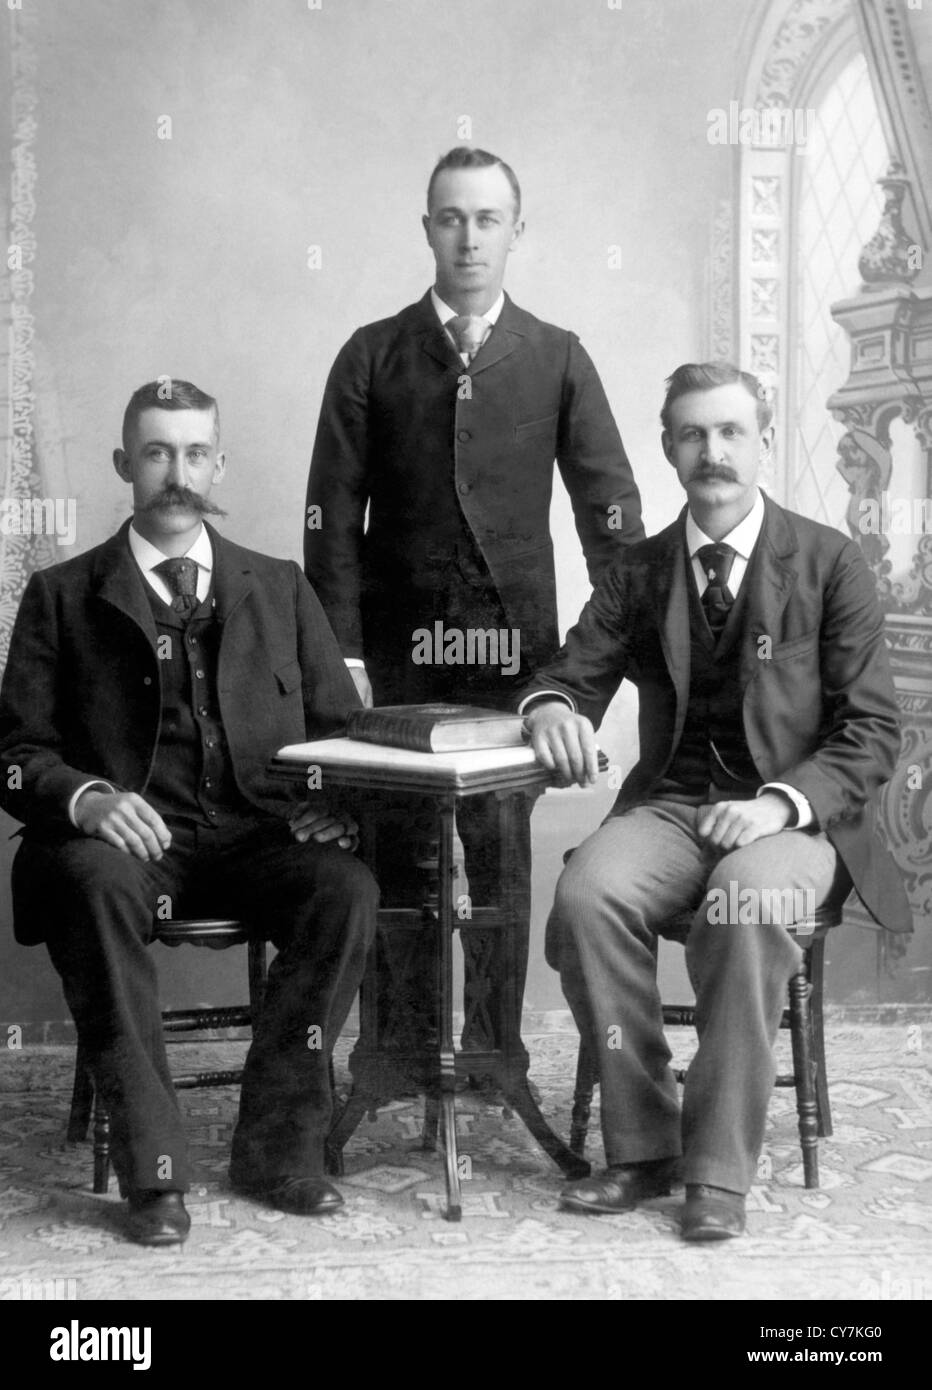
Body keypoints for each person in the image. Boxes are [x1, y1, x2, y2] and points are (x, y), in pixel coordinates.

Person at [521, 361, 911, 1240]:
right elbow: (570, 674)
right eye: (693, 434)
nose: (714, 451)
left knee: (745, 902)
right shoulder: (641, 568)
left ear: (762, 441)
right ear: (668, 448)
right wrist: (550, 707)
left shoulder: (829, 561)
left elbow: (872, 732)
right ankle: (644, 1145)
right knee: (587, 897)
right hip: (674, 805)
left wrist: (777, 805)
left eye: (731, 431)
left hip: (797, 820)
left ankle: (717, 1171)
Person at [0, 380, 377, 1246]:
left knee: (344, 888)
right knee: (92, 882)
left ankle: (279, 1149)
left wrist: (336, 808)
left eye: (196, 453)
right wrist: (87, 798)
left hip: (256, 833)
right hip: (130, 848)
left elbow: (340, 731)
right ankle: (155, 1172)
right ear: (123, 465)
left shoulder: (277, 585)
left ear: (219, 463)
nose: (178, 473)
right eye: (159, 453)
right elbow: (13, 753)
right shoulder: (61, 594)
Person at [305, 145, 643, 1049]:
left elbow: (614, 535)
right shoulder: (371, 356)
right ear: (427, 229)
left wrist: (584, 678)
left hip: (516, 664)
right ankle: (401, 1052)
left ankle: (495, 1054)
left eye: (487, 219)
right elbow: (329, 524)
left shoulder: (559, 358)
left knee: (498, 862)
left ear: (516, 232)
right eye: (450, 218)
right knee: (400, 858)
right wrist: (343, 666)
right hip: (397, 662)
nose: (468, 238)